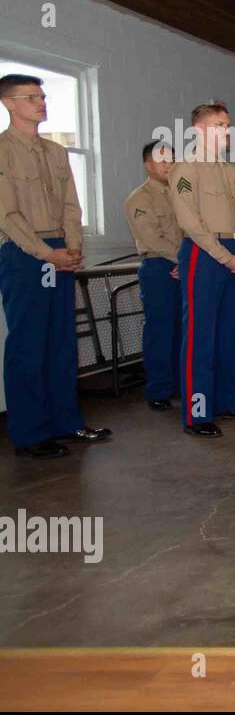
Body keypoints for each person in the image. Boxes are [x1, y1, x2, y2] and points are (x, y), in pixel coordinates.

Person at [0, 74, 111, 458]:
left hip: (61, 249)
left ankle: (67, 421)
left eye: (43, 96)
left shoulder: (56, 152)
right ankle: (31, 433)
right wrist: (47, 253)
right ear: (9, 104)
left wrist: (72, 247)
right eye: (31, 97)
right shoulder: (2, 151)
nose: (41, 102)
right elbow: (7, 215)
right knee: (29, 344)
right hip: (24, 252)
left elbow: (71, 204)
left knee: (62, 343)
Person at [169, 101, 235, 437]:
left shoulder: (231, 172)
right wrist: (225, 257)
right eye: (220, 125)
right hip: (205, 254)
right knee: (201, 335)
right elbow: (189, 220)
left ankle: (224, 400)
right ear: (199, 130)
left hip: (234, 253)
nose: (227, 131)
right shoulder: (186, 168)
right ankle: (198, 412)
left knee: (227, 332)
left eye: (227, 125)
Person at [124, 139, 183, 412]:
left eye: (171, 158)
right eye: (162, 159)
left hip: (183, 266)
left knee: (182, 331)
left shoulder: (181, 193)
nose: (168, 164)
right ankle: (158, 389)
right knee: (160, 330)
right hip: (160, 267)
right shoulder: (140, 198)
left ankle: (180, 385)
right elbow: (151, 238)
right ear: (148, 165)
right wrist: (181, 260)